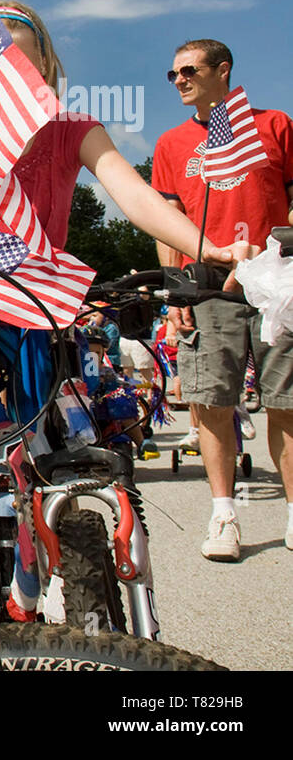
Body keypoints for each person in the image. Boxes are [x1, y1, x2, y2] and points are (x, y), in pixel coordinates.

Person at [0, 1, 236, 620]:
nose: (3, 63)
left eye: (18, 53)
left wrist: (204, 245)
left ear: (45, 65)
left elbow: (132, 191)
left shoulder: (70, 128)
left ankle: (58, 562)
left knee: (56, 447)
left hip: (36, 306)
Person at [151, 38, 293, 558]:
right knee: (211, 400)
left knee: (287, 401)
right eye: (173, 74)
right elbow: (167, 225)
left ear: (222, 70)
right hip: (207, 284)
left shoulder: (275, 125)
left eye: (188, 70)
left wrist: (278, 243)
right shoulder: (170, 144)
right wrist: (173, 293)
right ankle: (224, 516)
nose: (179, 81)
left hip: (276, 278)